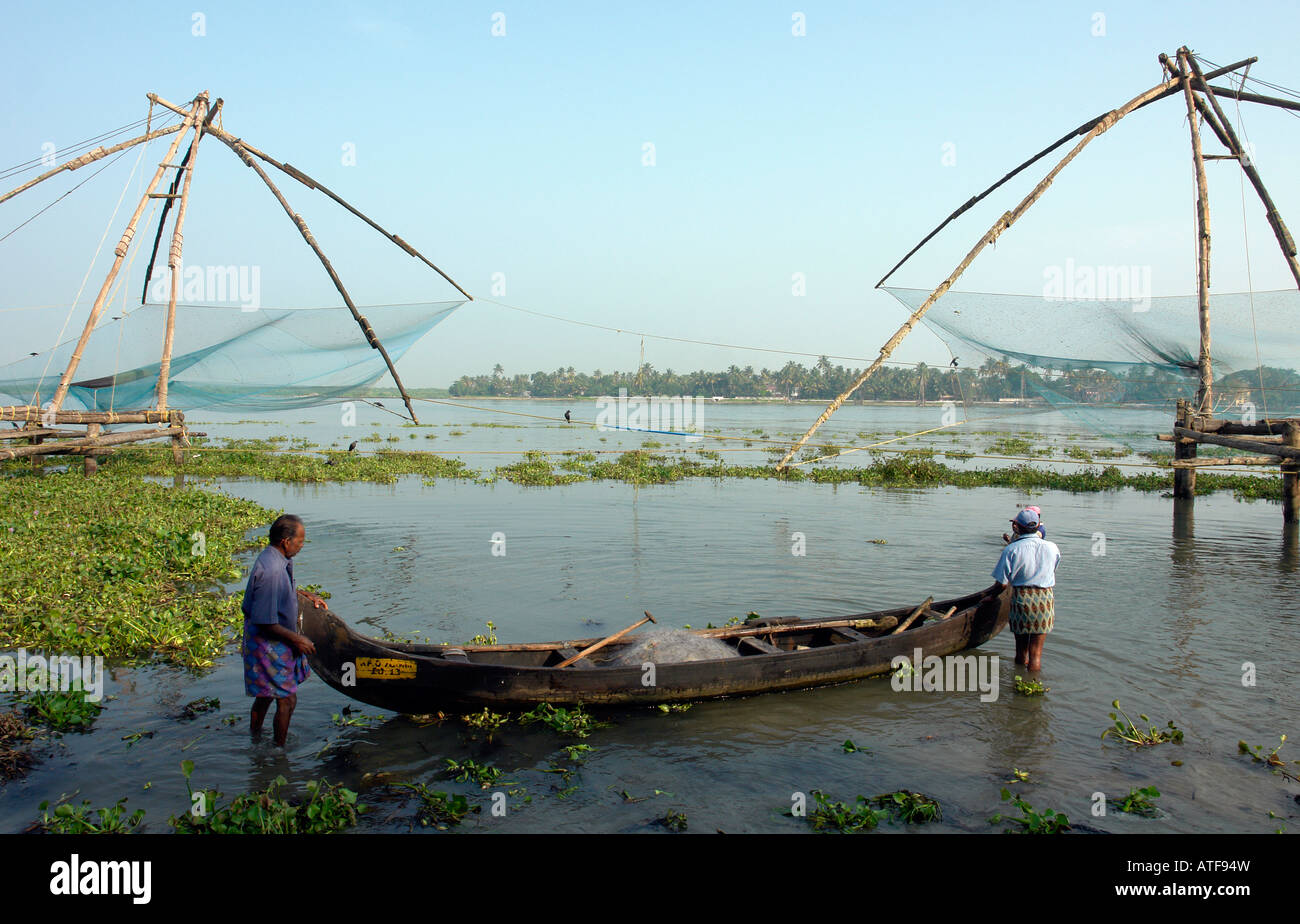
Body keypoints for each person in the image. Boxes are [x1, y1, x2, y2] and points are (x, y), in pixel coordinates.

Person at [241, 514, 325, 746]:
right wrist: (298, 639)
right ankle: (279, 753)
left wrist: (303, 594)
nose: (301, 546)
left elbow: (278, 595)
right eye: (299, 541)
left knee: (266, 695)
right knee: (286, 700)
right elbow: (265, 621)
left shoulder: (274, 557)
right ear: (286, 542)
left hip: (269, 639)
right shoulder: (272, 571)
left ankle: (255, 738)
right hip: (268, 642)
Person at [984, 507, 1060, 671]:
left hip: (1021, 599)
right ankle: (1032, 687)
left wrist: (991, 597)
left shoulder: (1011, 549)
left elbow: (1002, 584)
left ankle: (1017, 683)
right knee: (1036, 655)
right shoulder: (1052, 547)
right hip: (1045, 599)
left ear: (1016, 527)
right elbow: (1052, 570)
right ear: (1037, 525)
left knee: (1020, 652)